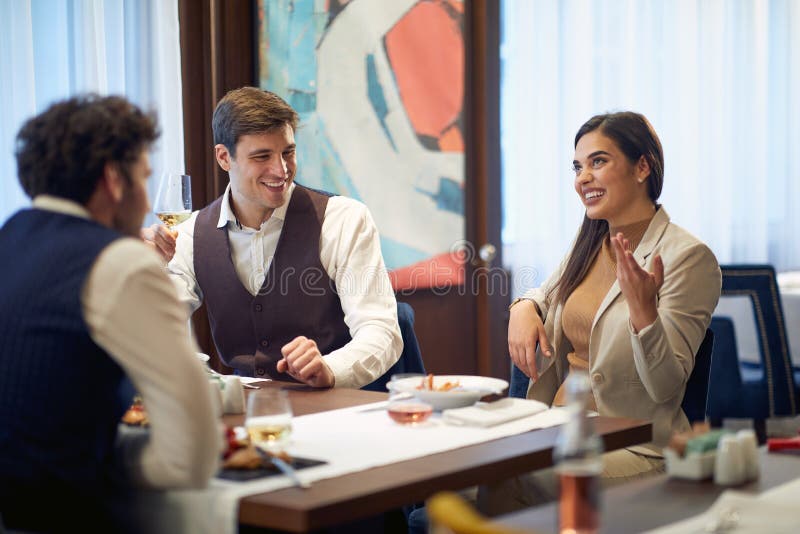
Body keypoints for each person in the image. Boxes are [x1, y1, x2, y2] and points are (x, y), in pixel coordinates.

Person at [0, 95, 221, 531]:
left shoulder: (9, 240)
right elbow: (192, 455)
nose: (145, 203)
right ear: (112, 180)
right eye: (143, 179)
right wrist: (105, 455)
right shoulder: (118, 262)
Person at [483, 111, 721, 513]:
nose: (582, 178)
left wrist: (644, 314)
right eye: (578, 166)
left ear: (642, 166)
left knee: (504, 482)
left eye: (598, 162)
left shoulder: (688, 258)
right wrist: (523, 305)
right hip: (560, 426)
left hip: (638, 446)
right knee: (468, 474)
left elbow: (666, 386)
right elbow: (546, 292)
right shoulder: (592, 239)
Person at [144, 87, 402, 389]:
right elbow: (152, 330)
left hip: (337, 407)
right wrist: (146, 272)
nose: (280, 170)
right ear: (224, 157)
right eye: (262, 156)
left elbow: (381, 330)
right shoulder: (191, 236)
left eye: (288, 153)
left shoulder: (343, 220)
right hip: (241, 414)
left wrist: (330, 369)